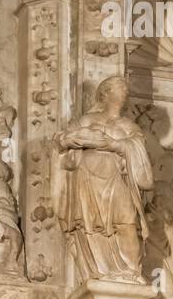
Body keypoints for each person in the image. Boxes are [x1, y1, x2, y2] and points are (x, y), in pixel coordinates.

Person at [54, 75, 153, 282]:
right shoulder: (87, 120)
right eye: (118, 88)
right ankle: (97, 271)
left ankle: (132, 271)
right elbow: (62, 142)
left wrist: (115, 144)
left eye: (125, 89)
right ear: (105, 94)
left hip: (116, 176)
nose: (124, 92)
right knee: (89, 225)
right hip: (88, 177)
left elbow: (137, 148)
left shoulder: (129, 125)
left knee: (127, 220)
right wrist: (73, 139)